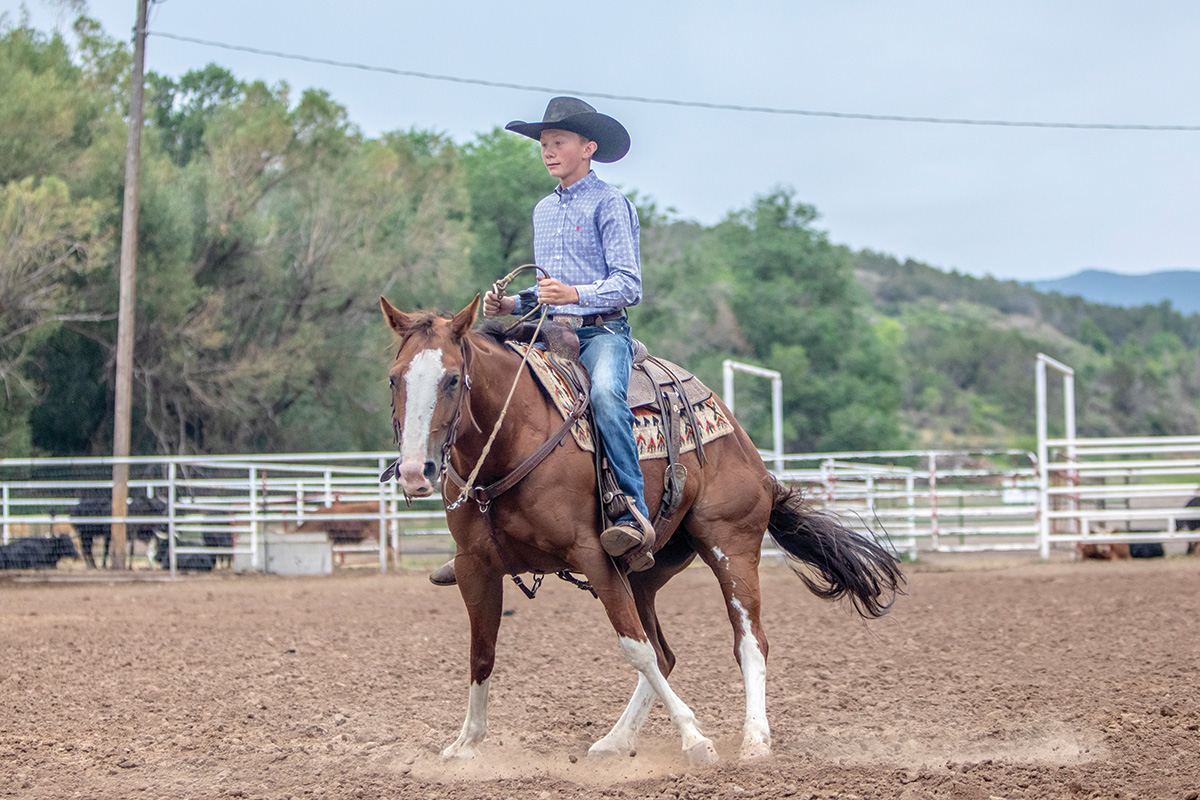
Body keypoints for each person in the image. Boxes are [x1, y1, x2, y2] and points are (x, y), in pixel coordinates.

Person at [429, 96, 655, 586]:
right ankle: (476, 537)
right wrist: (512, 305)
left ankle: (631, 513)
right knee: (483, 387)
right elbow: (547, 289)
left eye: (558, 143)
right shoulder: (543, 211)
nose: (548, 151)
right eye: (544, 144)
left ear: (588, 148)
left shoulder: (611, 204)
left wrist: (575, 293)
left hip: (602, 330)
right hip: (548, 330)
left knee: (604, 398)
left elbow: (629, 284)